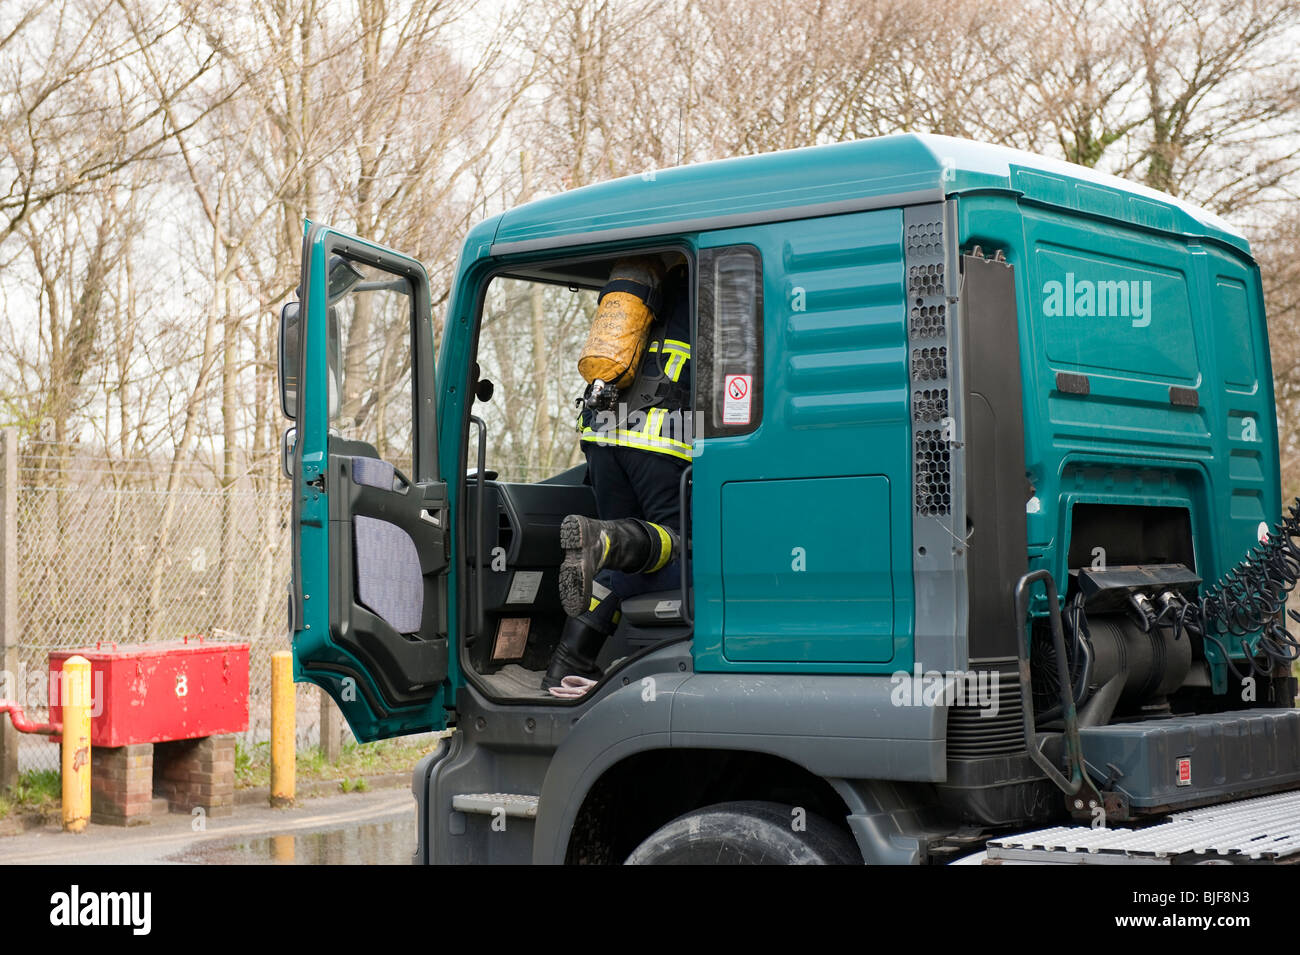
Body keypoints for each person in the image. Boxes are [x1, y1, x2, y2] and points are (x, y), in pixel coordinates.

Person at [541, 255, 692, 689]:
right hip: (659, 439)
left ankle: (568, 662)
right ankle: (603, 541)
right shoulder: (707, 281)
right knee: (685, 549)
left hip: (600, 433)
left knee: (625, 547)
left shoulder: (641, 296)